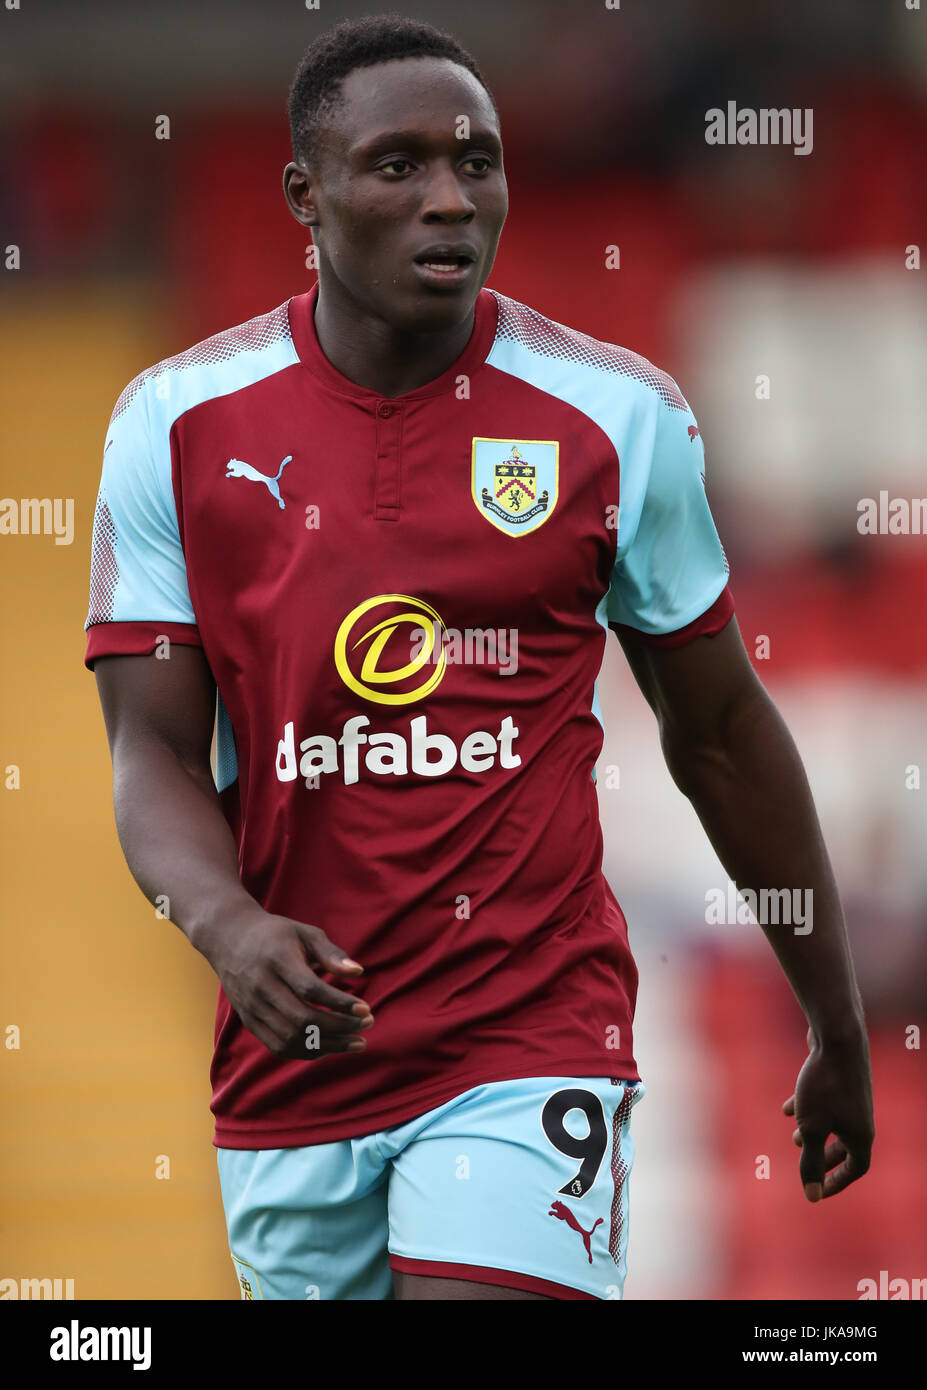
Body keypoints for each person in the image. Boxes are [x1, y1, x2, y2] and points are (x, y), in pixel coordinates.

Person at [84, 13, 873, 1302]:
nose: (451, 198)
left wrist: (835, 1021)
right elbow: (154, 749)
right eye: (399, 165)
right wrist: (229, 928)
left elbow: (722, 730)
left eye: (479, 162)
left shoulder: (618, 417)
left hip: (531, 1029)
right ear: (306, 193)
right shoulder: (173, 425)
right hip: (300, 1064)